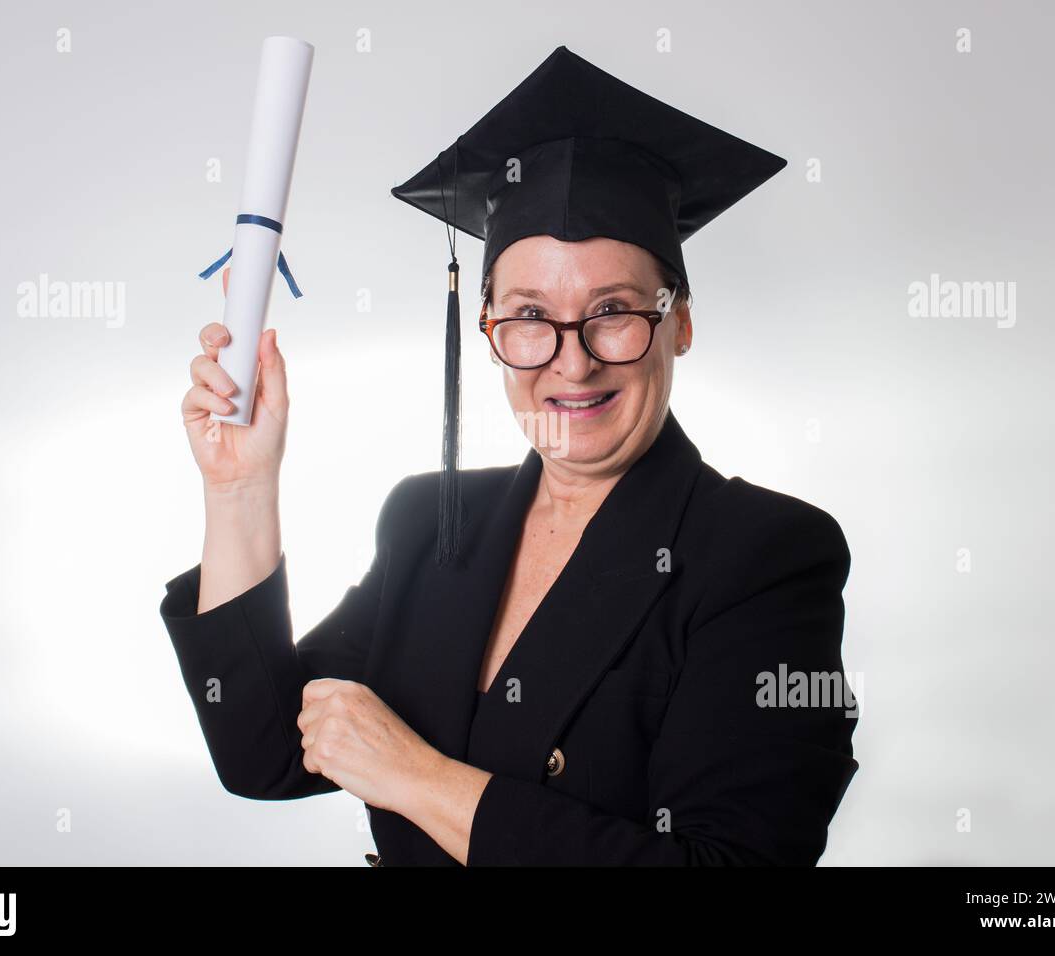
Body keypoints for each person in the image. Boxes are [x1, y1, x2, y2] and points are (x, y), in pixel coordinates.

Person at [161, 45, 858, 866]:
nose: (572, 361)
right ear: (488, 329)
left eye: (614, 311)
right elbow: (268, 752)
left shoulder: (761, 557)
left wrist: (418, 778)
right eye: (531, 315)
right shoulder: (432, 522)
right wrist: (240, 488)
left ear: (679, 323)